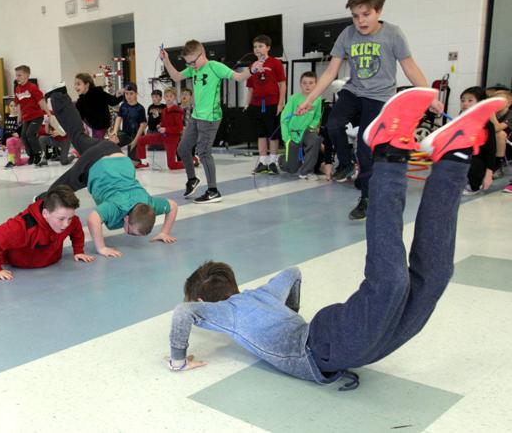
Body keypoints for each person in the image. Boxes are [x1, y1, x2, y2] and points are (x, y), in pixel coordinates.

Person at [166, 90, 507, 390]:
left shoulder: (222, 312)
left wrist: (178, 360)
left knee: (392, 283)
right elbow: (292, 272)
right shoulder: (261, 295)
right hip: (340, 344)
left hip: (324, 346)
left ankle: (389, 152)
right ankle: (454, 157)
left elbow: (183, 313)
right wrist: (292, 317)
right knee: (431, 279)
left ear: (202, 298)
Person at [295, 0, 442, 220]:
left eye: (365, 14)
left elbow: (410, 67)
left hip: (380, 97)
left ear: (378, 11)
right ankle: (346, 163)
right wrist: (309, 100)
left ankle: (365, 197)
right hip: (354, 91)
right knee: (332, 124)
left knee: (366, 147)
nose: (360, 21)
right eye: (355, 15)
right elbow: (331, 71)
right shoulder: (347, 34)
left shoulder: (393, 34)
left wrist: (430, 96)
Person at [45, 83, 179, 258]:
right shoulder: (117, 207)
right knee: (59, 190)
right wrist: (101, 248)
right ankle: (40, 203)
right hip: (97, 162)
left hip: (115, 153)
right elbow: (93, 220)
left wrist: (164, 231)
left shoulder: (149, 204)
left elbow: (173, 206)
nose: (129, 234)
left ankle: (59, 94)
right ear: (126, 218)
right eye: (130, 232)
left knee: (78, 136)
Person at [161, 40, 266, 203]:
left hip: (210, 117)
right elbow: (175, 76)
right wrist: (165, 59)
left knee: (203, 152)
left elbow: (238, 77)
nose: (192, 65)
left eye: (193, 62)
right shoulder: (193, 68)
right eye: (188, 63)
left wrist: (252, 69)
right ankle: (192, 180)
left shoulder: (215, 66)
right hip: (196, 116)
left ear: (202, 53)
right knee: (182, 149)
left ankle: (213, 190)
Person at [0, 186, 94, 281]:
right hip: (10, 253)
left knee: (5, 233)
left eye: (69, 218)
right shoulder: (21, 227)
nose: (66, 224)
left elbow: (75, 229)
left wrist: (78, 251)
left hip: (23, 241)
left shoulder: (68, 220)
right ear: (45, 213)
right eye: (61, 219)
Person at [246, 34, 287, 174]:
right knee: (261, 133)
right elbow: (251, 87)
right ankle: (262, 162)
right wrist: (247, 104)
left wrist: (281, 103)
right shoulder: (252, 66)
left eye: (261, 46)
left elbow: (282, 84)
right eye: (255, 46)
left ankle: (273, 162)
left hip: (271, 103)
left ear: (268, 48)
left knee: (272, 134)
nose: (257, 49)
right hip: (257, 104)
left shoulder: (275, 63)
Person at [280, 72, 323, 178]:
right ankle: (281, 159)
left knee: (315, 139)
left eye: (311, 83)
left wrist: (312, 126)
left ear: (315, 85)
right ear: (300, 84)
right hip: (293, 134)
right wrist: (287, 138)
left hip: (307, 131)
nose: (307, 86)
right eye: (304, 83)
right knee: (291, 168)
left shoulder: (317, 99)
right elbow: (284, 118)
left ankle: (306, 171)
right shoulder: (294, 98)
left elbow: (317, 117)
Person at [456, 87, 498, 195]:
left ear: (480, 103)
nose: (465, 104)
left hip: (478, 162)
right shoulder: (459, 120)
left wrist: (489, 174)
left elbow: (491, 152)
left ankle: (473, 185)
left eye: (470, 100)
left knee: (472, 161)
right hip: (463, 157)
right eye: (463, 100)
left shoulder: (487, 125)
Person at [134, 87, 185, 170]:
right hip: (162, 136)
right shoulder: (164, 110)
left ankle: (193, 161)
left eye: (171, 96)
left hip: (172, 139)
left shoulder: (177, 110)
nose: (168, 98)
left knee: (172, 165)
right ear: (164, 97)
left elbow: (179, 128)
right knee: (141, 140)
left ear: (174, 97)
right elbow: (165, 123)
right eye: (167, 96)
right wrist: (160, 125)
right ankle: (143, 162)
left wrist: (166, 129)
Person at [13, 65, 45, 164]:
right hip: (26, 117)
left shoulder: (33, 87)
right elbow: (18, 104)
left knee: (30, 134)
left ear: (27, 75)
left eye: (19, 75)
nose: (17, 78)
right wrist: (19, 116)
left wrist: (48, 113)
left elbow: (41, 101)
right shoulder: (17, 89)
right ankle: (32, 155)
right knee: (23, 135)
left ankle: (39, 153)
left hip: (37, 116)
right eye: (16, 75)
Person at [75, 72, 122, 139]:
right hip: (91, 128)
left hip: (100, 127)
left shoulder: (98, 93)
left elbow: (112, 101)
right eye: (75, 84)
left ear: (87, 85)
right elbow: (79, 115)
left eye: (78, 84)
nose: (75, 86)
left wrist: (119, 95)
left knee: (97, 146)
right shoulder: (81, 100)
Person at [113, 82, 148, 162]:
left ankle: (133, 158)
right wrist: (115, 132)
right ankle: (119, 159)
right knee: (111, 142)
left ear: (136, 94)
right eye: (126, 94)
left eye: (131, 94)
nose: (128, 96)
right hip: (126, 134)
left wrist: (135, 141)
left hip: (136, 136)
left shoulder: (140, 108)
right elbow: (118, 118)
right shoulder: (123, 106)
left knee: (134, 162)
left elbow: (143, 126)